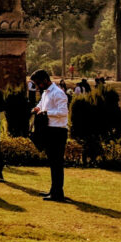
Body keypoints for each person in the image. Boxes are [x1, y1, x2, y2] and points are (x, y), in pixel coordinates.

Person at [31, 69, 69, 201]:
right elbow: (41, 105)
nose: (37, 86)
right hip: (48, 129)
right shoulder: (46, 93)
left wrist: (46, 112)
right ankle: (54, 190)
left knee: (57, 163)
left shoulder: (58, 93)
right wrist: (37, 108)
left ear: (45, 80)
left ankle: (58, 193)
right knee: (52, 162)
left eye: (38, 83)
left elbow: (63, 112)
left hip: (57, 131)